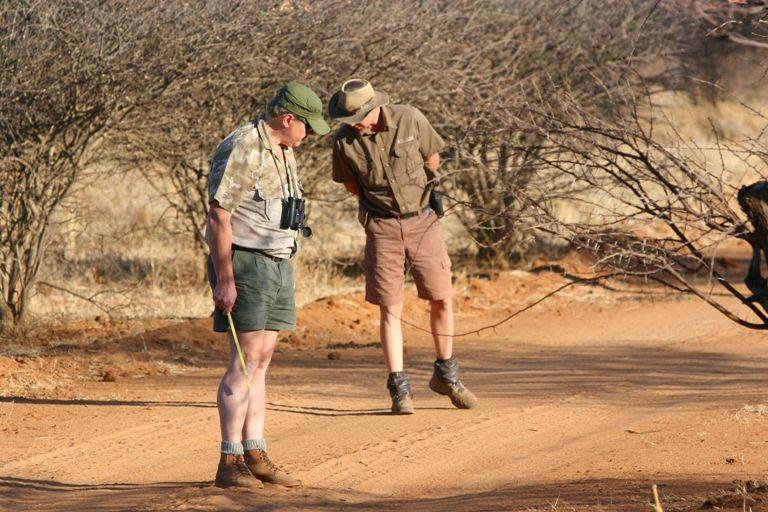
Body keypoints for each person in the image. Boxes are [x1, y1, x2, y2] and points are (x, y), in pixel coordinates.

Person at [328, 78, 478, 415]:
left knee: (441, 297)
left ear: (376, 106)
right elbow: (352, 184)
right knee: (389, 306)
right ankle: (399, 387)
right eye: (350, 119)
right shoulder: (342, 141)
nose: (357, 123)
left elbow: (432, 159)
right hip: (381, 225)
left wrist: (414, 198)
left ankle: (447, 375)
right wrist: (384, 208)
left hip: (424, 220)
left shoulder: (410, 118)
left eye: (361, 116)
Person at [205, 82, 329, 489]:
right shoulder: (244, 146)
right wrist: (225, 278)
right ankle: (229, 459)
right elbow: (219, 216)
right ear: (288, 118)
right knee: (244, 361)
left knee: (261, 361)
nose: (309, 135)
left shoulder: (283, 149)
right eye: (307, 127)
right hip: (247, 263)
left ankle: (254, 451)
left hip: (279, 261)